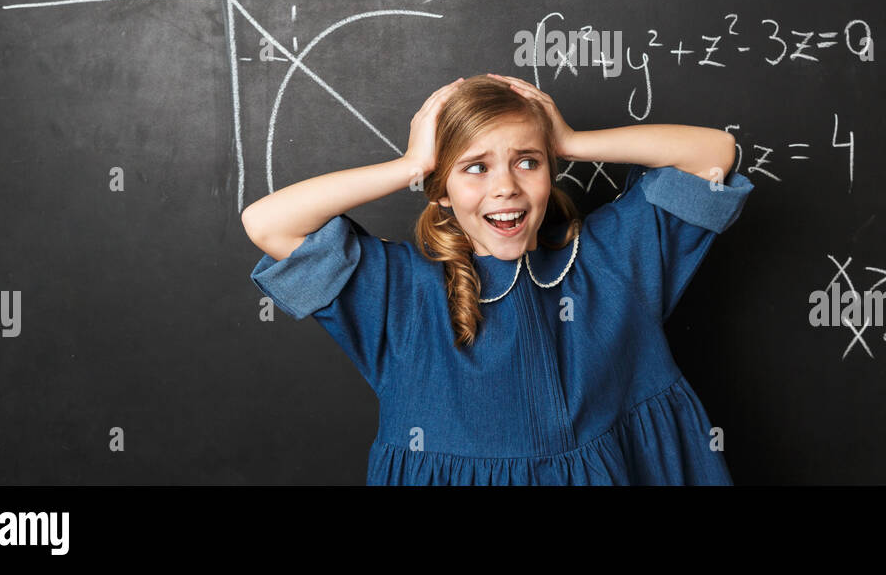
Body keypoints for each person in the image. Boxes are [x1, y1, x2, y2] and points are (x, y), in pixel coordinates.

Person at [241, 73, 753, 484]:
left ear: (551, 170)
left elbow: (715, 155)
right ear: (440, 190)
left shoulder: (611, 255)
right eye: (475, 168)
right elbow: (267, 224)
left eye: (527, 162)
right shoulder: (400, 292)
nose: (505, 187)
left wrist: (570, 140)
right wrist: (413, 164)